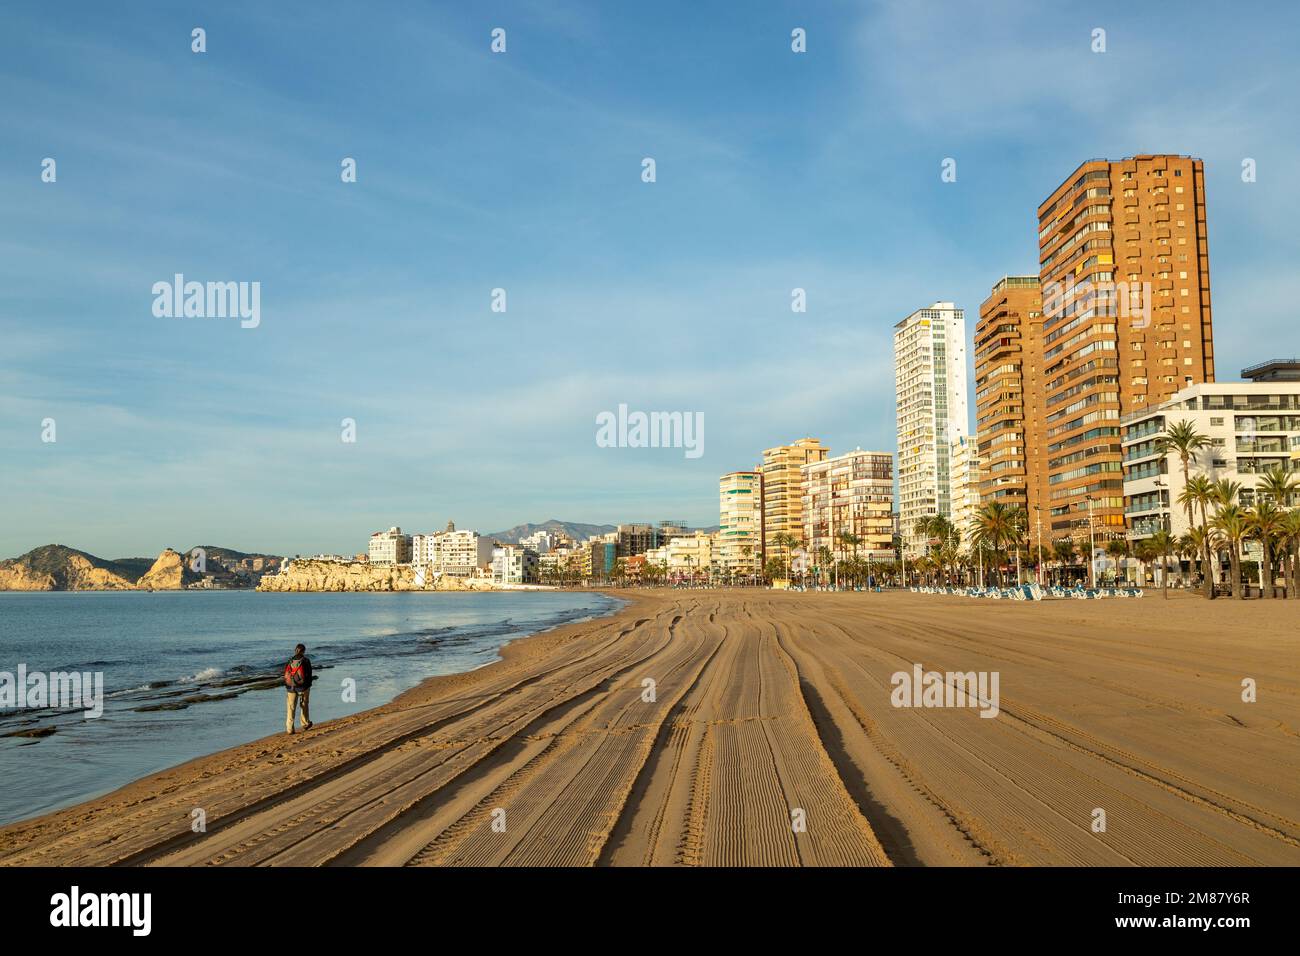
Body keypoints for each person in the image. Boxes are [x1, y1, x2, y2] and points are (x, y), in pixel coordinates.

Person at [284, 643, 315, 735]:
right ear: (304, 651)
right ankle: (305, 723)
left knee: (291, 707)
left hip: (290, 687)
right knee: (304, 704)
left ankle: (290, 728)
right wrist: (308, 685)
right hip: (303, 687)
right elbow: (309, 675)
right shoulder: (306, 660)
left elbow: (286, 674)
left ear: (295, 650)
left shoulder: (290, 661)